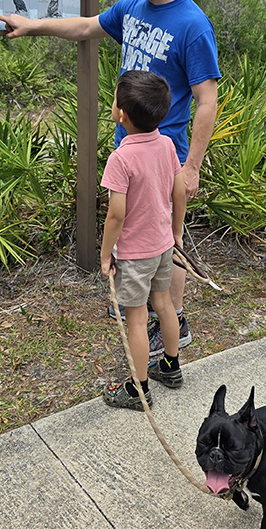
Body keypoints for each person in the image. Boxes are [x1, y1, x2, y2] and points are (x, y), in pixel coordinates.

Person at [0, 0, 220, 356]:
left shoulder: (192, 24)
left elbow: (206, 100)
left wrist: (192, 168)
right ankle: (145, 305)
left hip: (167, 155)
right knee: (138, 233)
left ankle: (174, 320)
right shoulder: (132, 9)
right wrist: (32, 25)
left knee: (168, 238)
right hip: (129, 147)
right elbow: (86, 26)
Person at [99, 70, 185, 410]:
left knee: (136, 318)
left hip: (135, 255)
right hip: (164, 246)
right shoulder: (166, 144)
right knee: (164, 305)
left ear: (121, 114)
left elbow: (116, 215)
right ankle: (171, 366)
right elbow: (179, 192)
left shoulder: (120, 159)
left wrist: (106, 254)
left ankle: (137, 389)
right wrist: (176, 232)